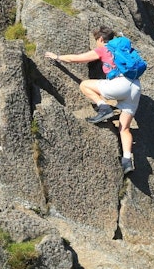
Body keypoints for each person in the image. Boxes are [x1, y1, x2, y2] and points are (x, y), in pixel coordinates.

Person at [44, 26, 142, 175]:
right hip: (135, 87)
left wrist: (57, 57)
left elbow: (77, 59)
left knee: (84, 85)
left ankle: (104, 108)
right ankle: (127, 161)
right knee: (124, 128)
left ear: (101, 39)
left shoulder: (104, 49)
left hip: (119, 84)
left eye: (97, 40)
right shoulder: (124, 50)